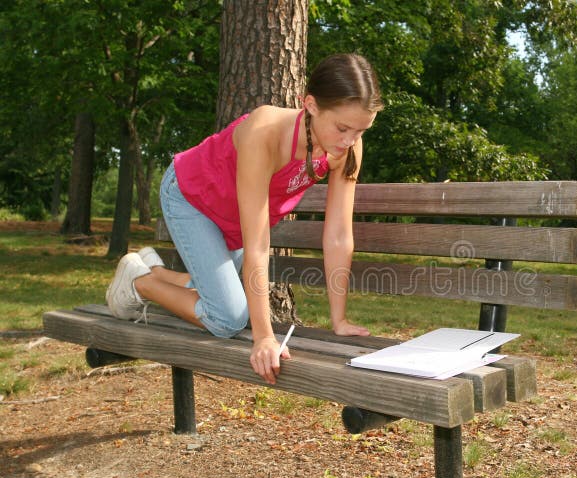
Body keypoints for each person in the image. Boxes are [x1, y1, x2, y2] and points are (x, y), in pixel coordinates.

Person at [104, 53, 383, 385]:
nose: (350, 141)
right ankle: (140, 282)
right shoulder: (264, 132)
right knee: (228, 317)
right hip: (193, 197)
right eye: (342, 128)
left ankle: (156, 270)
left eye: (361, 130)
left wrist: (339, 319)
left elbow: (338, 235)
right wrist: (264, 337)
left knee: (226, 298)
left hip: (236, 218)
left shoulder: (348, 147)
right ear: (310, 104)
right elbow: (259, 245)